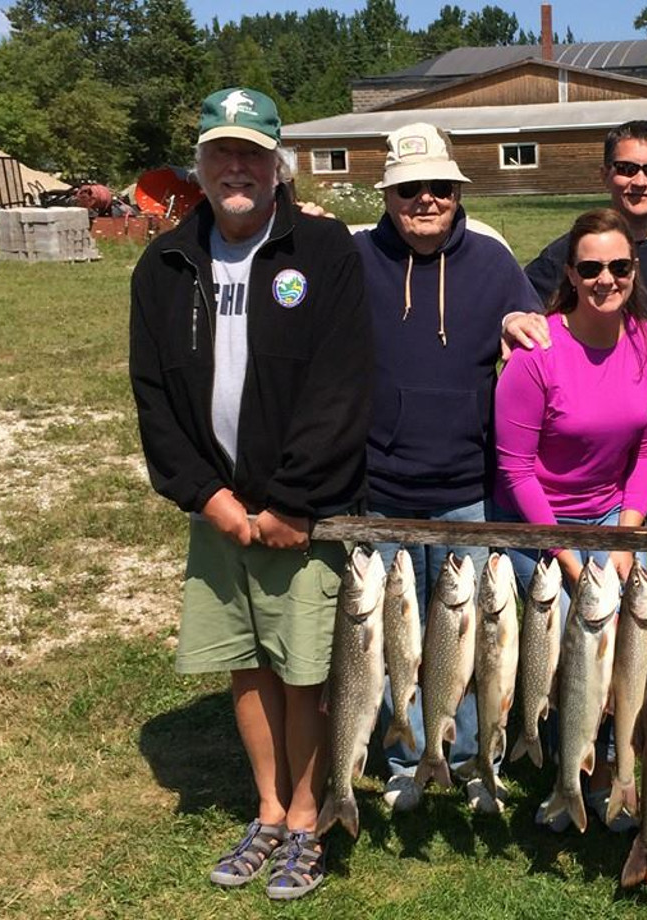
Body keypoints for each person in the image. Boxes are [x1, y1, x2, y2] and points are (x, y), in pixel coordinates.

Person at [129, 87, 371, 901]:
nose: (237, 167)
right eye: (220, 153)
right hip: (219, 512)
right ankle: (266, 808)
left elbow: (342, 387)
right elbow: (152, 399)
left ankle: (307, 817)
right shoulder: (164, 261)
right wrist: (207, 497)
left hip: (299, 513)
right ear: (198, 165)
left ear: (278, 165)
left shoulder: (325, 250)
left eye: (252, 154)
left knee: (304, 669)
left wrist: (291, 501)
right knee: (245, 665)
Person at [351, 122, 544, 815]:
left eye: (439, 187)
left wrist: (523, 325)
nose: (425, 199)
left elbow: (533, 324)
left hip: (467, 486)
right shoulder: (354, 256)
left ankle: (466, 755)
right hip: (382, 488)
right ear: (388, 195)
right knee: (392, 634)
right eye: (410, 189)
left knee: (467, 633)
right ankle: (405, 754)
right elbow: (291, 295)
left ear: (458, 192)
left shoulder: (491, 261)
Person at [495, 207, 647, 832]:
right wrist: (570, 560)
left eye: (618, 266)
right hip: (541, 523)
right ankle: (570, 772)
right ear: (570, 272)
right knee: (573, 653)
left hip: (614, 518)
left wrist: (626, 536)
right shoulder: (537, 353)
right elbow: (515, 471)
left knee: (634, 650)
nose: (605, 279)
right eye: (590, 267)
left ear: (633, 269)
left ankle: (618, 775)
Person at [524, 121, 647, 566]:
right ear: (605, 174)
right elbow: (517, 303)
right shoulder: (570, 253)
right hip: (606, 462)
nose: (641, 181)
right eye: (626, 168)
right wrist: (512, 318)